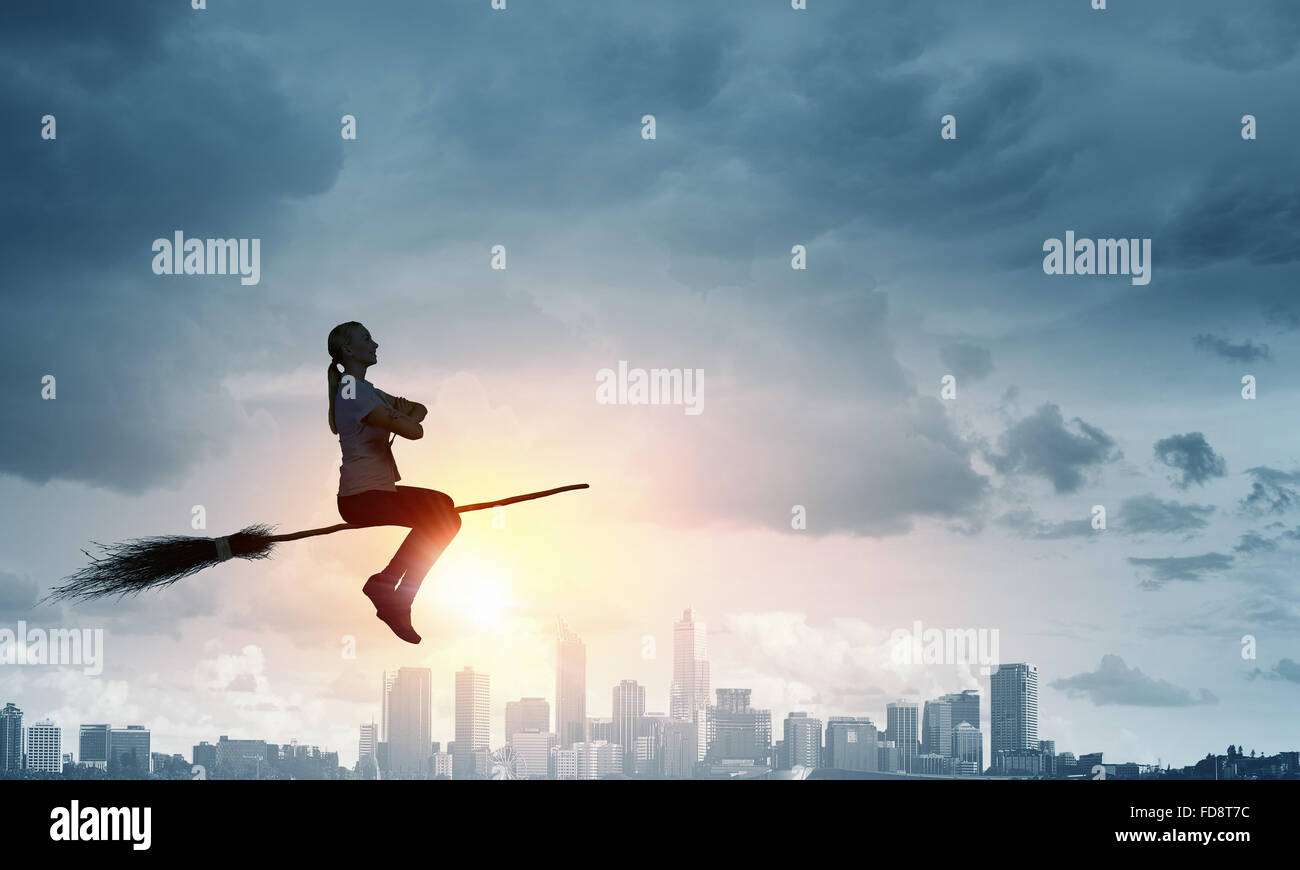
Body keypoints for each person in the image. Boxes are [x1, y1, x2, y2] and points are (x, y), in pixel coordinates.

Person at [327, 321, 460, 644]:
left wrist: (396, 415)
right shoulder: (353, 390)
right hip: (361, 498)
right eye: (366, 339)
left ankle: (388, 585)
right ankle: (393, 591)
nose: (375, 344)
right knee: (445, 516)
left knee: (446, 510)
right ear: (348, 350)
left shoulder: (369, 391)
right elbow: (415, 430)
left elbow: (420, 411)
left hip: (377, 492)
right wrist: (400, 417)